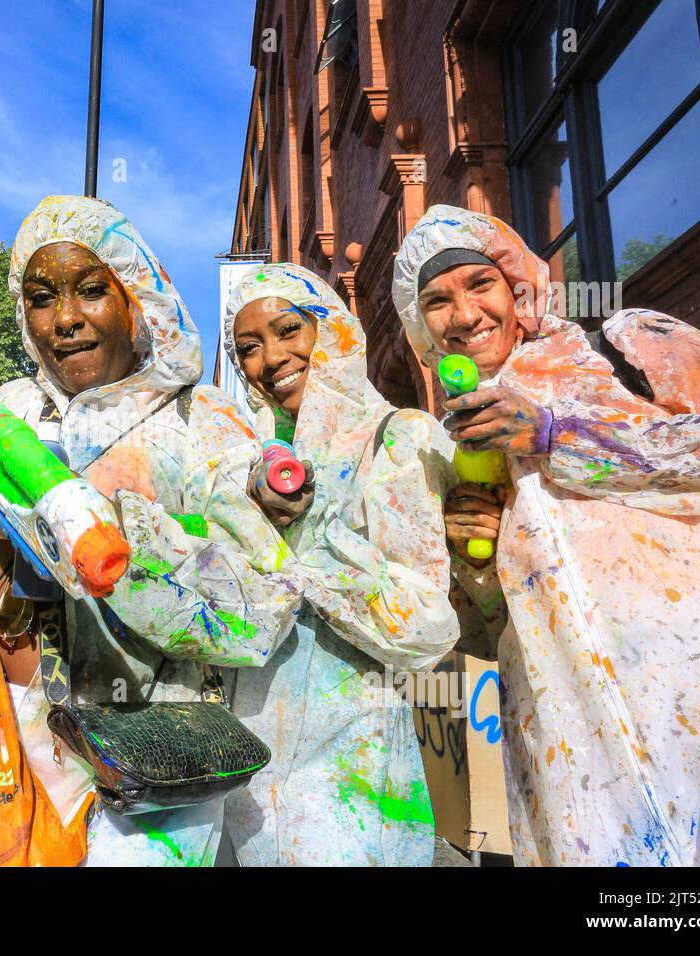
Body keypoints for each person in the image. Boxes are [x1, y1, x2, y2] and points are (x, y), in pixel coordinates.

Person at [0, 195, 302, 865]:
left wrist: (117, 537)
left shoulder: (200, 422)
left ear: (137, 298)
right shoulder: (5, 409)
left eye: (92, 291)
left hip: (153, 753)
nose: (64, 320)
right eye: (40, 298)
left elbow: (261, 605)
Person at [394, 203, 700, 866]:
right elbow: (494, 623)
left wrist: (555, 436)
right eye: (436, 301)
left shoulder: (627, 347)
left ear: (518, 291)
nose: (463, 314)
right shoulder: (462, 446)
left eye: (478, 285)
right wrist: (476, 569)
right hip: (576, 750)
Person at [220, 263, 458, 866]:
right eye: (249, 348)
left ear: (333, 332)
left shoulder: (399, 437)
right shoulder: (247, 462)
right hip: (249, 768)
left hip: (353, 772)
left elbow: (424, 626)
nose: (271, 358)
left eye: (288, 331)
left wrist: (315, 537)